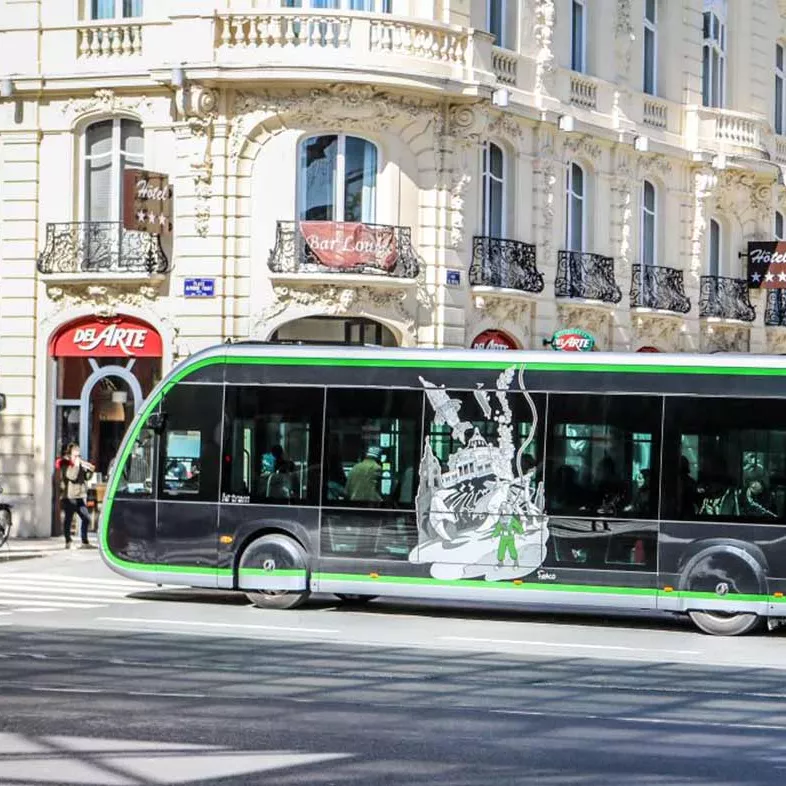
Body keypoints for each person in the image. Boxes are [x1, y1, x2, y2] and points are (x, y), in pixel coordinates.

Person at [56, 443, 95, 549]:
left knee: (86, 517)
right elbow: (72, 476)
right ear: (70, 454)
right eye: (75, 455)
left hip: (79, 495)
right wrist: (77, 465)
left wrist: (90, 471)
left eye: (79, 455)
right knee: (68, 519)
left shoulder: (79, 463)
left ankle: (84, 541)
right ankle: (68, 541)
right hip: (69, 496)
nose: (78, 457)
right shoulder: (65, 463)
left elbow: (85, 478)